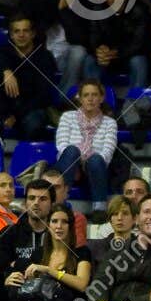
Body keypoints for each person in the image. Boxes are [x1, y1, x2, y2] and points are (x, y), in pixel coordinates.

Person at [54, 79, 117, 207]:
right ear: (80, 98)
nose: (90, 99)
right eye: (86, 95)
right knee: (72, 150)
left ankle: (99, 209)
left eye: (94, 95)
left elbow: (107, 152)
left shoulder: (110, 122)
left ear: (101, 98)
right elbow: (62, 145)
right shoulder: (67, 117)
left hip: (95, 169)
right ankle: (59, 204)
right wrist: (78, 162)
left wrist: (86, 161)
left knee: (96, 159)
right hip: (70, 165)